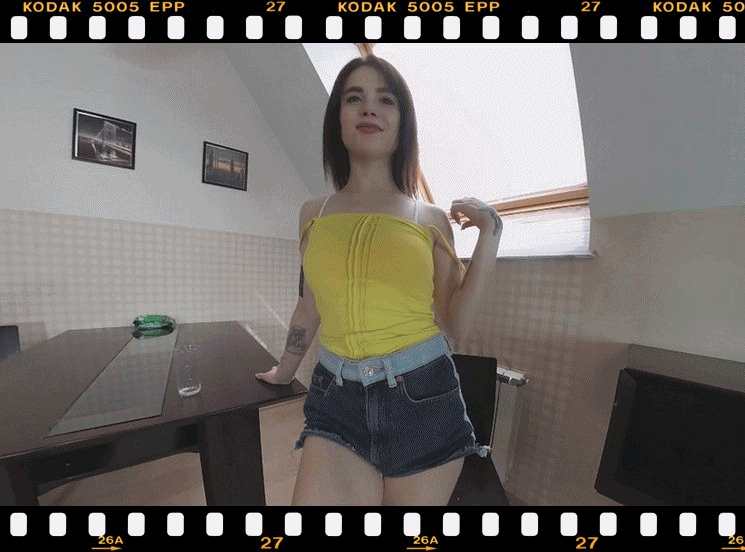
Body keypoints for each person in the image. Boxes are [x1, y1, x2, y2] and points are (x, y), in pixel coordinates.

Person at [256, 54, 503, 506]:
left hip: (423, 399)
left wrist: (491, 234)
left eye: (385, 100)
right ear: (338, 120)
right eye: (355, 98)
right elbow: (309, 307)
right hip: (336, 396)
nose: (369, 108)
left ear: (402, 122)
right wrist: (284, 371)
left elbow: (456, 325)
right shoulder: (313, 214)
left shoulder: (429, 219)